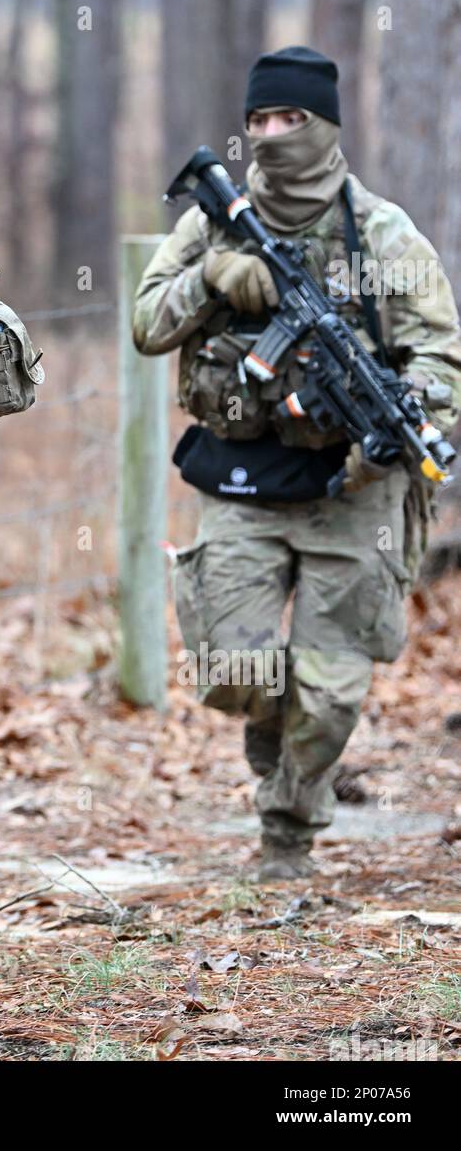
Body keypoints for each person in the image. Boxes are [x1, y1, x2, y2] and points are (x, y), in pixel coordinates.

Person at [132, 46, 461, 881]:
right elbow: (146, 323)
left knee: (332, 691)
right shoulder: (210, 224)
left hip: (352, 486)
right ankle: (267, 727)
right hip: (244, 478)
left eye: (291, 121)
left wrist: (410, 407)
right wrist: (213, 278)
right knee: (234, 671)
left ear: (326, 126)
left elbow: (442, 354)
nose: (274, 135)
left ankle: (287, 832)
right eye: (260, 122)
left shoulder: (382, 232)